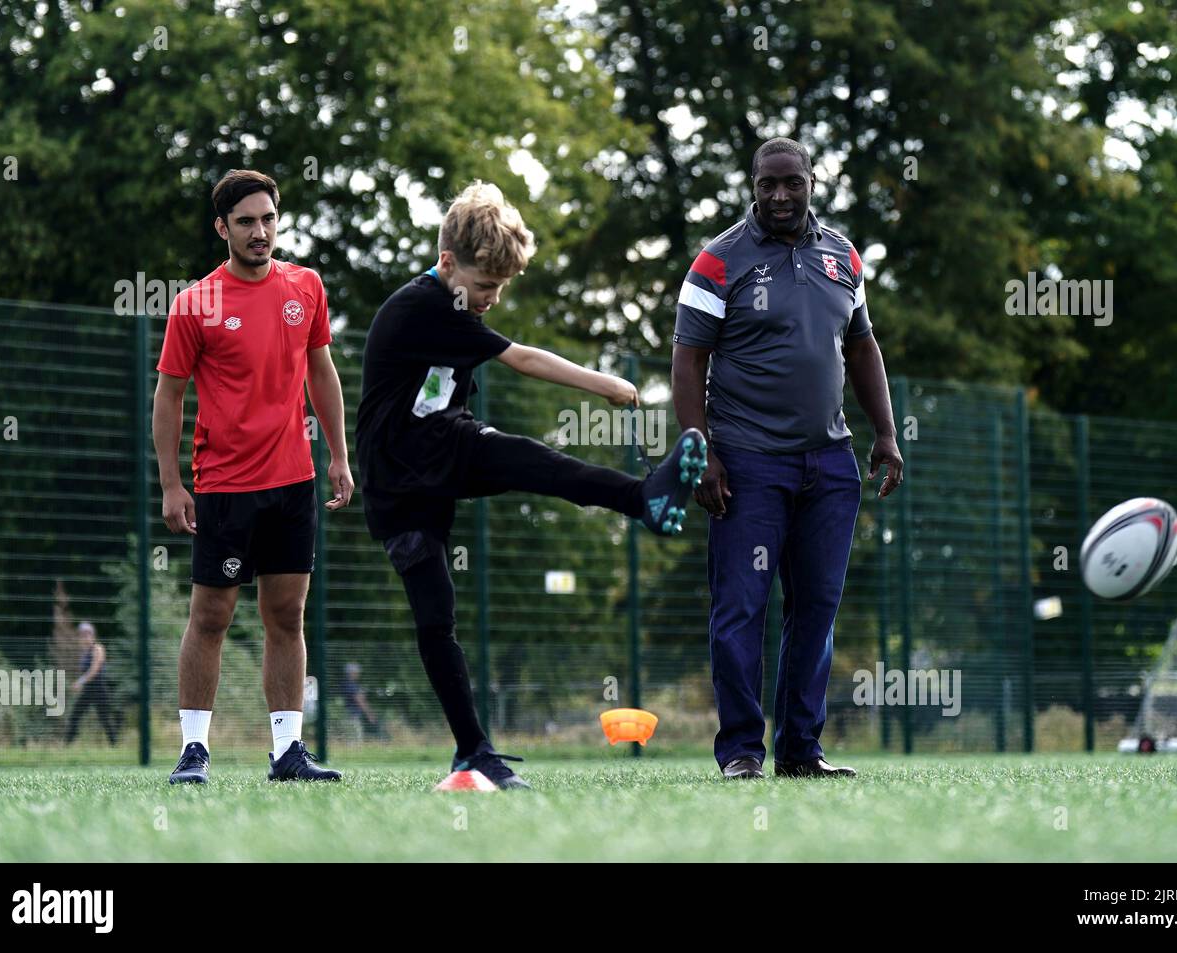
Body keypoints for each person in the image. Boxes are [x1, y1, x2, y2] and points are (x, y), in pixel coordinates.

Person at [357, 181, 706, 790]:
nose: (492, 298)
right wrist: (609, 385)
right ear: (447, 265)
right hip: (400, 481)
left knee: (540, 463)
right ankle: (472, 751)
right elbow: (525, 359)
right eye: (486, 285)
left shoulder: (457, 304)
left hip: (449, 444)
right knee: (436, 616)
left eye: (501, 287)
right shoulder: (423, 308)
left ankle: (645, 499)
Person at [672, 138, 904, 780]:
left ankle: (802, 751)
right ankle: (742, 750)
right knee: (740, 608)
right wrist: (701, 449)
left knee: (818, 610)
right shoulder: (717, 262)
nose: (779, 195)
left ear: (810, 182)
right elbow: (688, 361)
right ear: (752, 184)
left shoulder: (843, 256)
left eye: (791, 183)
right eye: (767, 184)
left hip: (830, 465)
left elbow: (861, 348)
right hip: (746, 463)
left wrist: (885, 433)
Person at [155, 169, 353, 784]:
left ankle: (287, 752)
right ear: (223, 228)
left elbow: (322, 373)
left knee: (286, 617)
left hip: (293, 483)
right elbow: (168, 397)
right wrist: (169, 482)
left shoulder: (307, 286)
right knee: (210, 616)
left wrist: (340, 455)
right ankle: (194, 752)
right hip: (222, 487)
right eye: (246, 221)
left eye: (268, 218)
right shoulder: (196, 303)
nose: (260, 230)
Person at [65, 621, 121, 745]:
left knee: (105, 719)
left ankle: (114, 744)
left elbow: (94, 670)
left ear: (93, 635)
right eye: (82, 635)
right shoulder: (84, 653)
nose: (85, 637)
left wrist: (80, 682)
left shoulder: (98, 648)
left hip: (99, 689)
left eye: (87, 634)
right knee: (75, 715)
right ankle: (67, 744)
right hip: (88, 690)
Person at [341, 662, 388, 740]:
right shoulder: (352, 685)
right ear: (351, 673)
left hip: (350, 714)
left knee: (351, 737)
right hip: (353, 715)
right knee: (355, 738)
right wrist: (370, 714)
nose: (358, 674)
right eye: (356, 672)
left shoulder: (346, 684)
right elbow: (360, 700)